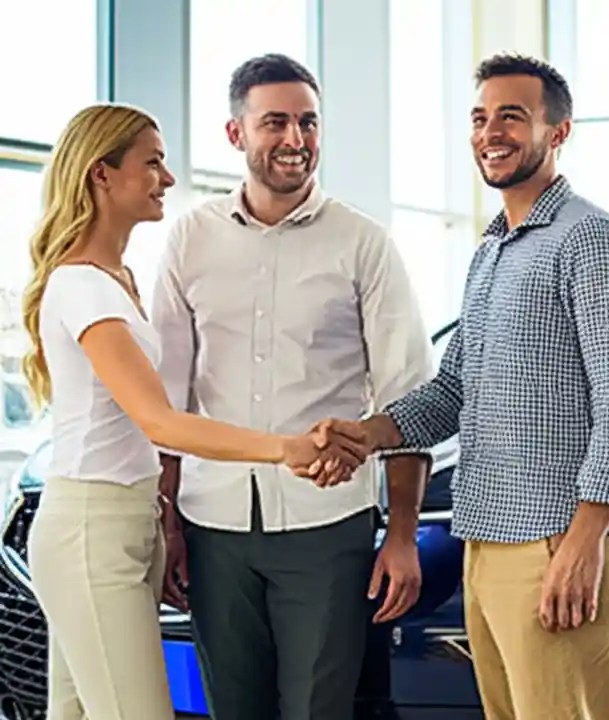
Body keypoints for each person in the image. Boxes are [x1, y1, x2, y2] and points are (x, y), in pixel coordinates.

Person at [317, 53, 609, 720]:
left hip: (557, 540)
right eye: (480, 117)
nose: (491, 131)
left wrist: (585, 541)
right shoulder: (495, 249)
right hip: (488, 539)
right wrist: (369, 434)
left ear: (557, 132)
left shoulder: (591, 240)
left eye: (512, 116)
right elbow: (453, 390)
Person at [20, 103, 370, 720]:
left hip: (125, 520)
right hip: (90, 529)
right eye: (151, 163)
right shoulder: (81, 285)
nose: (168, 178)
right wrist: (282, 448)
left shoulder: (120, 278)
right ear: (102, 175)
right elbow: (160, 421)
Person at [149, 53, 434, 720]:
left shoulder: (365, 243)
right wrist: (165, 518)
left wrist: (401, 534)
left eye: (309, 122)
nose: (296, 139)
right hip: (212, 524)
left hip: (327, 526)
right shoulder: (190, 238)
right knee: (232, 709)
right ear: (235, 133)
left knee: (318, 710)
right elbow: (166, 396)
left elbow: (407, 396)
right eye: (275, 122)